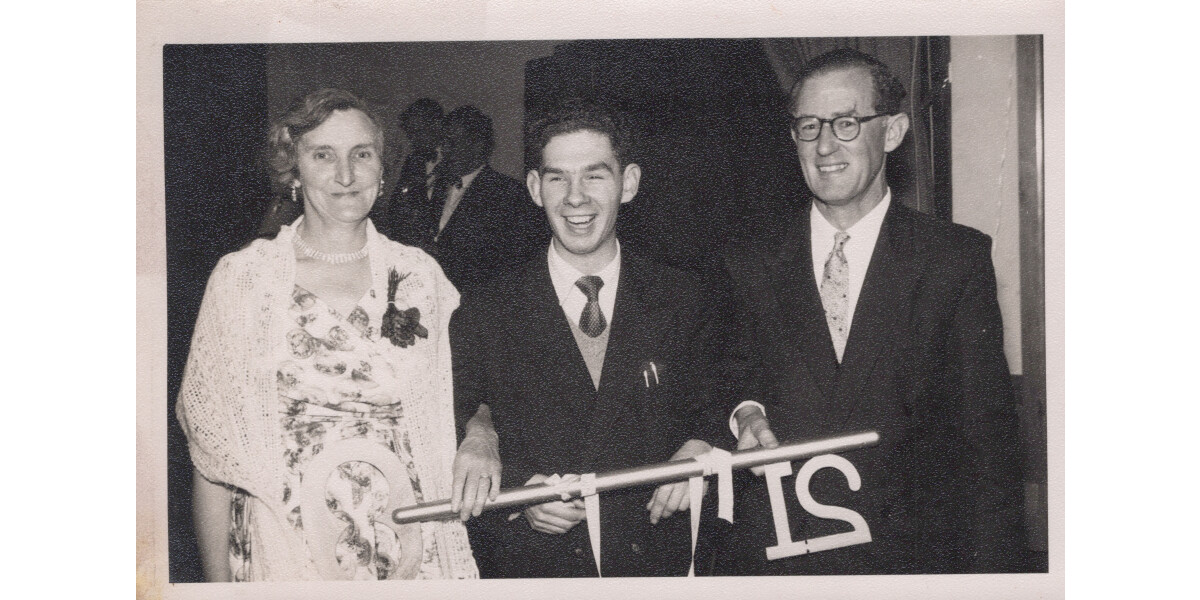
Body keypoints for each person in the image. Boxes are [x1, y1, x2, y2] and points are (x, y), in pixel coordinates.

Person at [721, 48, 1025, 575]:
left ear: (893, 131)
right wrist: (745, 411)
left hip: (914, 564)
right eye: (808, 126)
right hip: (780, 563)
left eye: (845, 123)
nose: (823, 146)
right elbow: (725, 375)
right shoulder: (746, 260)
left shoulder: (955, 259)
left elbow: (986, 452)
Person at [175, 88, 492, 581]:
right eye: (323, 155)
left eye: (361, 155)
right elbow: (214, 457)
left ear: (382, 168)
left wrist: (481, 432)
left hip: (409, 544)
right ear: (293, 169)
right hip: (282, 550)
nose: (345, 175)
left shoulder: (419, 276)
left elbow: (480, 388)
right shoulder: (243, 278)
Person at [449, 99, 731, 577]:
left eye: (595, 176)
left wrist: (703, 447)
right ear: (536, 189)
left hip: (658, 562)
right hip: (538, 568)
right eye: (558, 178)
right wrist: (516, 490)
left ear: (630, 183)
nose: (575, 198)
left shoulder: (686, 297)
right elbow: (453, 415)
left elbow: (725, 398)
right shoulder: (484, 308)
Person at [388, 105, 548, 297]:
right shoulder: (436, 186)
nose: (445, 151)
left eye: (454, 143)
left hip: (479, 302)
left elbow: (511, 263)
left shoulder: (510, 194)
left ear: (478, 145)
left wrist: (443, 256)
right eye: (444, 142)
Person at [371, 97, 443, 236]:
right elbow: (398, 203)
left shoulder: (456, 162)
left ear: (437, 125)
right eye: (411, 134)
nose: (413, 140)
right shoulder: (413, 160)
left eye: (419, 132)